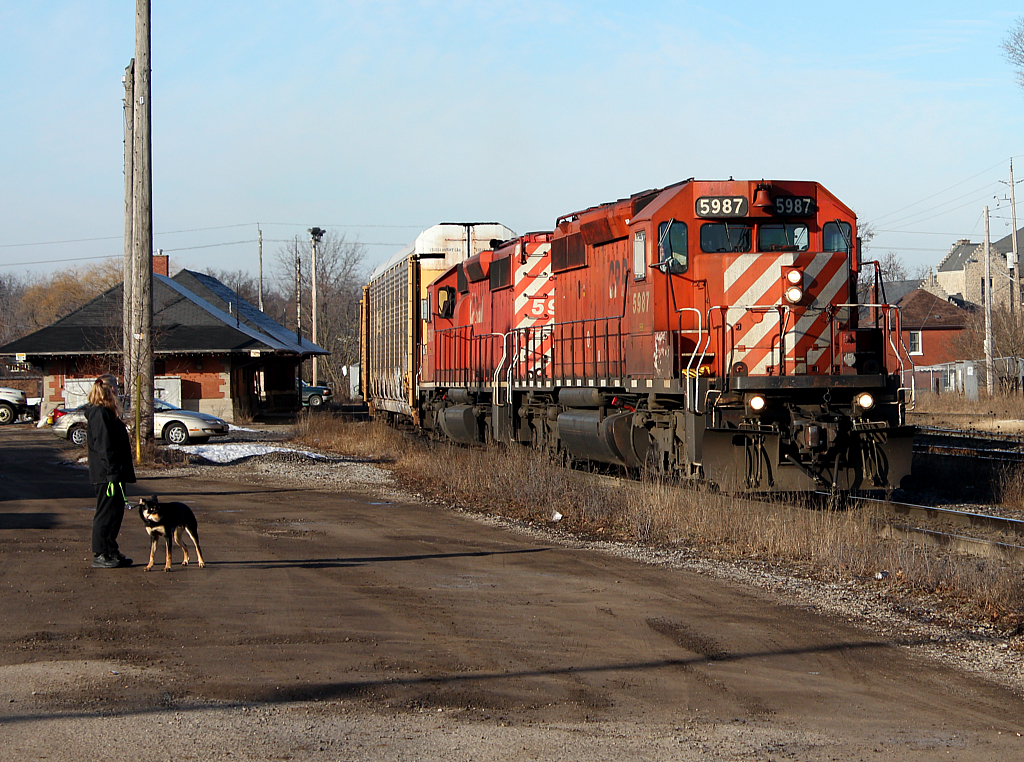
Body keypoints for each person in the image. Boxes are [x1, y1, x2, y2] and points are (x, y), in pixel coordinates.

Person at [85, 374, 136, 568]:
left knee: (115, 514)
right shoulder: (99, 414)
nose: (118, 390)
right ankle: (100, 553)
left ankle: (111, 550)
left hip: (114, 472)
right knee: (105, 514)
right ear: (109, 389)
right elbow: (104, 446)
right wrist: (112, 470)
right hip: (106, 475)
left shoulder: (109, 413)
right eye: (116, 386)